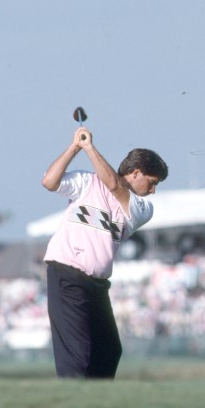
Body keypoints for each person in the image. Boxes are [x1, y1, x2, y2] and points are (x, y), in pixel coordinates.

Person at [41, 126, 168, 378]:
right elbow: (49, 181)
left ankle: (98, 404)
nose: (153, 191)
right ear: (136, 172)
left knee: (109, 350)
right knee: (78, 356)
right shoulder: (87, 182)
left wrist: (89, 147)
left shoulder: (142, 207)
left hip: (97, 285)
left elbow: (114, 185)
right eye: (152, 183)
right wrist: (75, 147)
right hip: (67, 274)